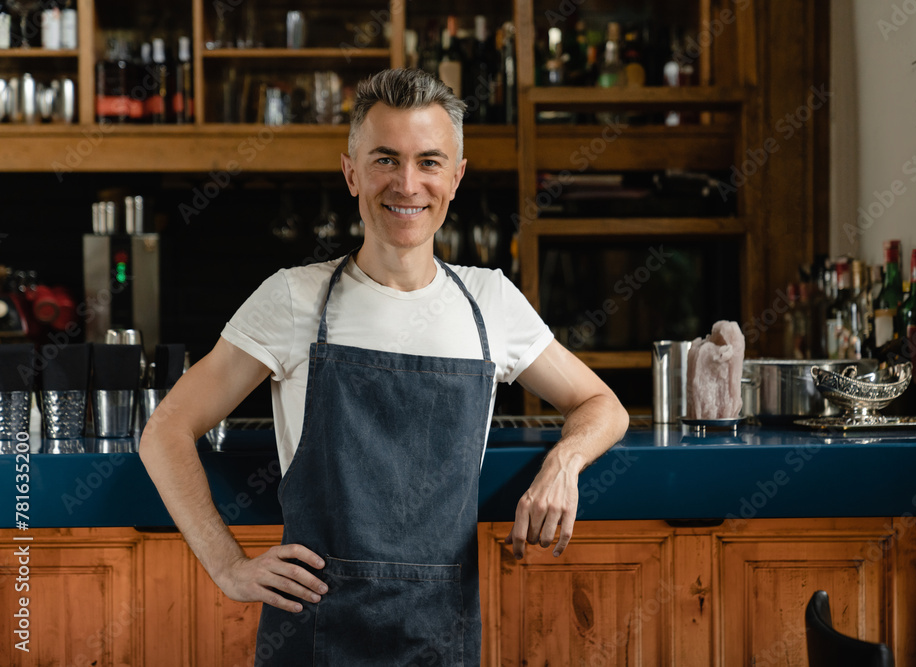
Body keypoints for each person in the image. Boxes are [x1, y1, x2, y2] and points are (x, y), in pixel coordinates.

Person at [139, 67, 629, 666]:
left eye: (428, 161)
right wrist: (228, 566)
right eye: (384, 160)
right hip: (314, 634)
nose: (407, 183)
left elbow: (602, 405)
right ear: (351, 173)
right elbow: (166, 430)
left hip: (439, 635)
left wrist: (564, 463)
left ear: (456, 176)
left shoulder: (490, 303)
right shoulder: (294, 298)